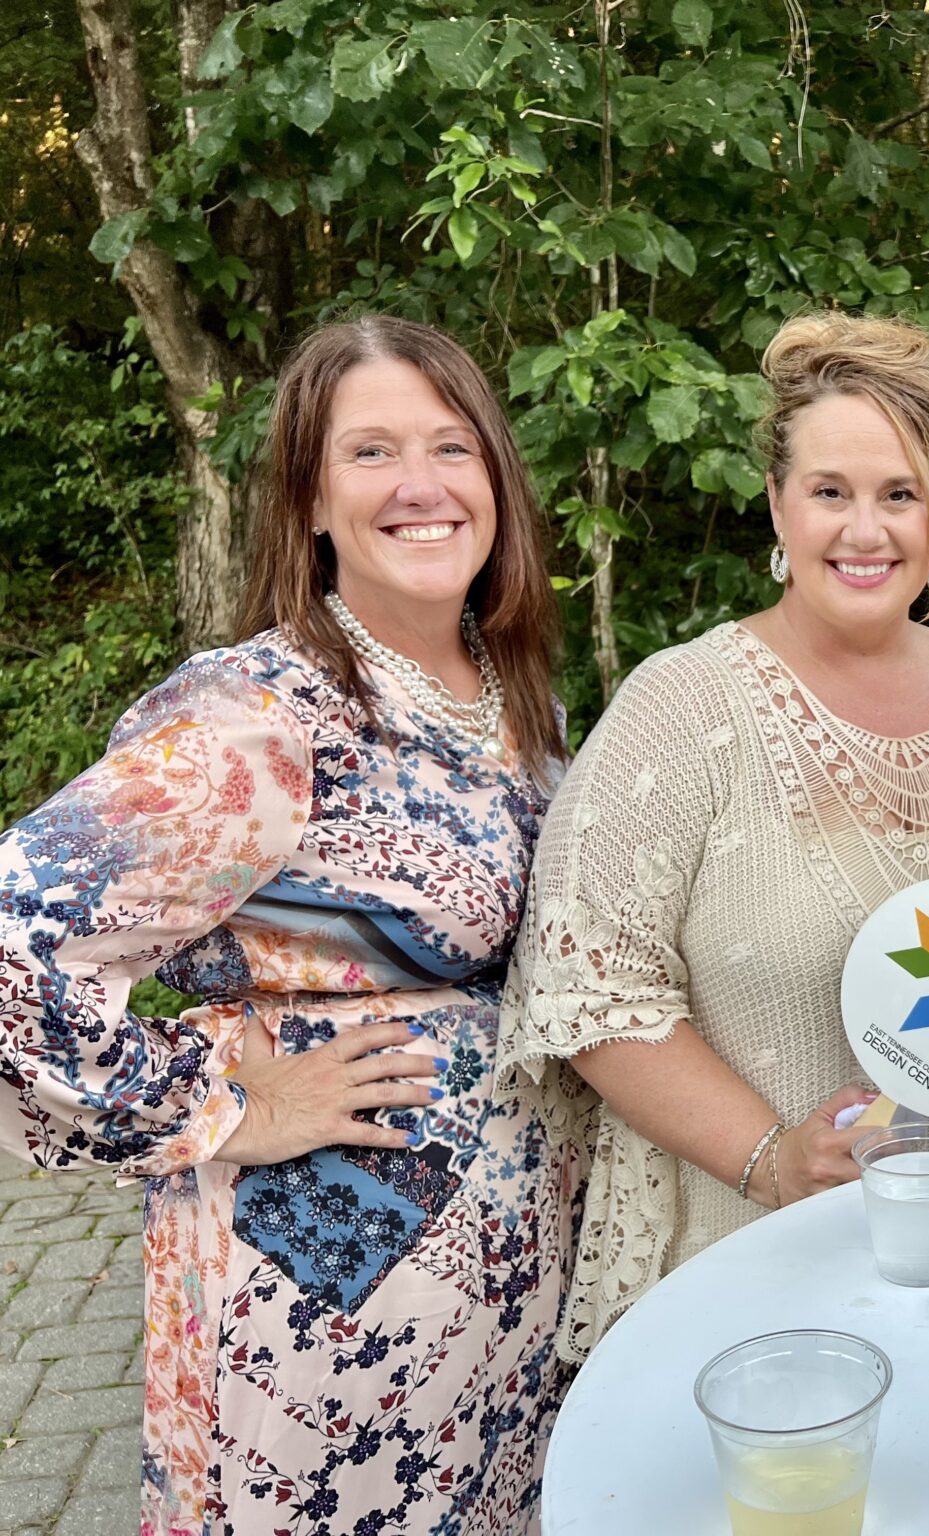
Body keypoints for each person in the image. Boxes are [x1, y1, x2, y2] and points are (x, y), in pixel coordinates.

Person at [0, 315, 576, 1531]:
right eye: (370, 452)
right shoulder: (260, 725)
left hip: (500, 1289)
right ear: (310, 500)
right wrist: (222, 1106)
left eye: (452, 447)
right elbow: (13, 950)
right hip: (327, 1312)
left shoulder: (513, 695)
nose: (421, 485)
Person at [499, 310, 929, 1362]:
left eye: (899, 494)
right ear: (776, 502)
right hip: (768, 1293)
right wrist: (770, 1158)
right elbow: (587, 990)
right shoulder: (681, 706)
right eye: (830, 492)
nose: (866, 531)